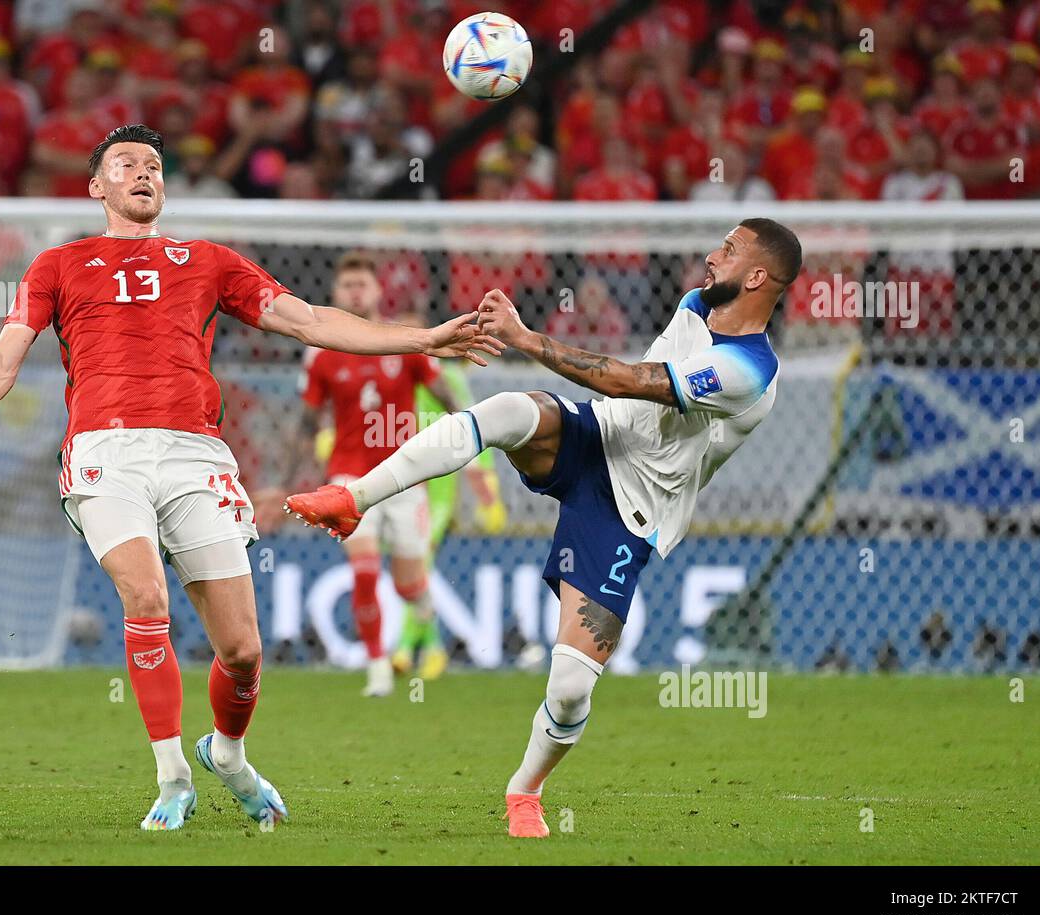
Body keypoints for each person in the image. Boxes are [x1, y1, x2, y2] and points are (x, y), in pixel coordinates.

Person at [0, 124, 498, 832]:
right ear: (96, 186)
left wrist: (421, 336)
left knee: (243, 652)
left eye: (153, 164)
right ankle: (171, 774)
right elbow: (2, 361)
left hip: (195, 453)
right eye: (125, 165)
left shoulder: (209, 261)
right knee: (145, 592)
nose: (142, 173)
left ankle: (229, 755)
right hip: (105, 451)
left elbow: (308, 321)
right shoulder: (58, 264)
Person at [286, 219, 802, 838]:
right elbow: (622, 398)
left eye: (728, 249)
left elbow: (630, 380)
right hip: (599, 434)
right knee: (508, 409)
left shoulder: (748, 371)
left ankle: (524, 790)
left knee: (568, 690)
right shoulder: (696, 304)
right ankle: (354, 497)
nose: (710, 256)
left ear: (757, 276)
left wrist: (526, 339)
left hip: (631, 510)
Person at [286, 252, 495, 694]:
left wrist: (481, 442)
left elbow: (445, 397)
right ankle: (378, 668)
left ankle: (425, 616)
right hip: (347, 479)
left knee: (408, 583)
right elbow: (306, 423)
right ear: (334, 294)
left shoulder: (405, 340)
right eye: (347, 286)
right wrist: (290, 480)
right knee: (364, 571)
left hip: (403, 480)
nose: (355, 292)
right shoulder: (320, 354)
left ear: (379, 290)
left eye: (362, 284)